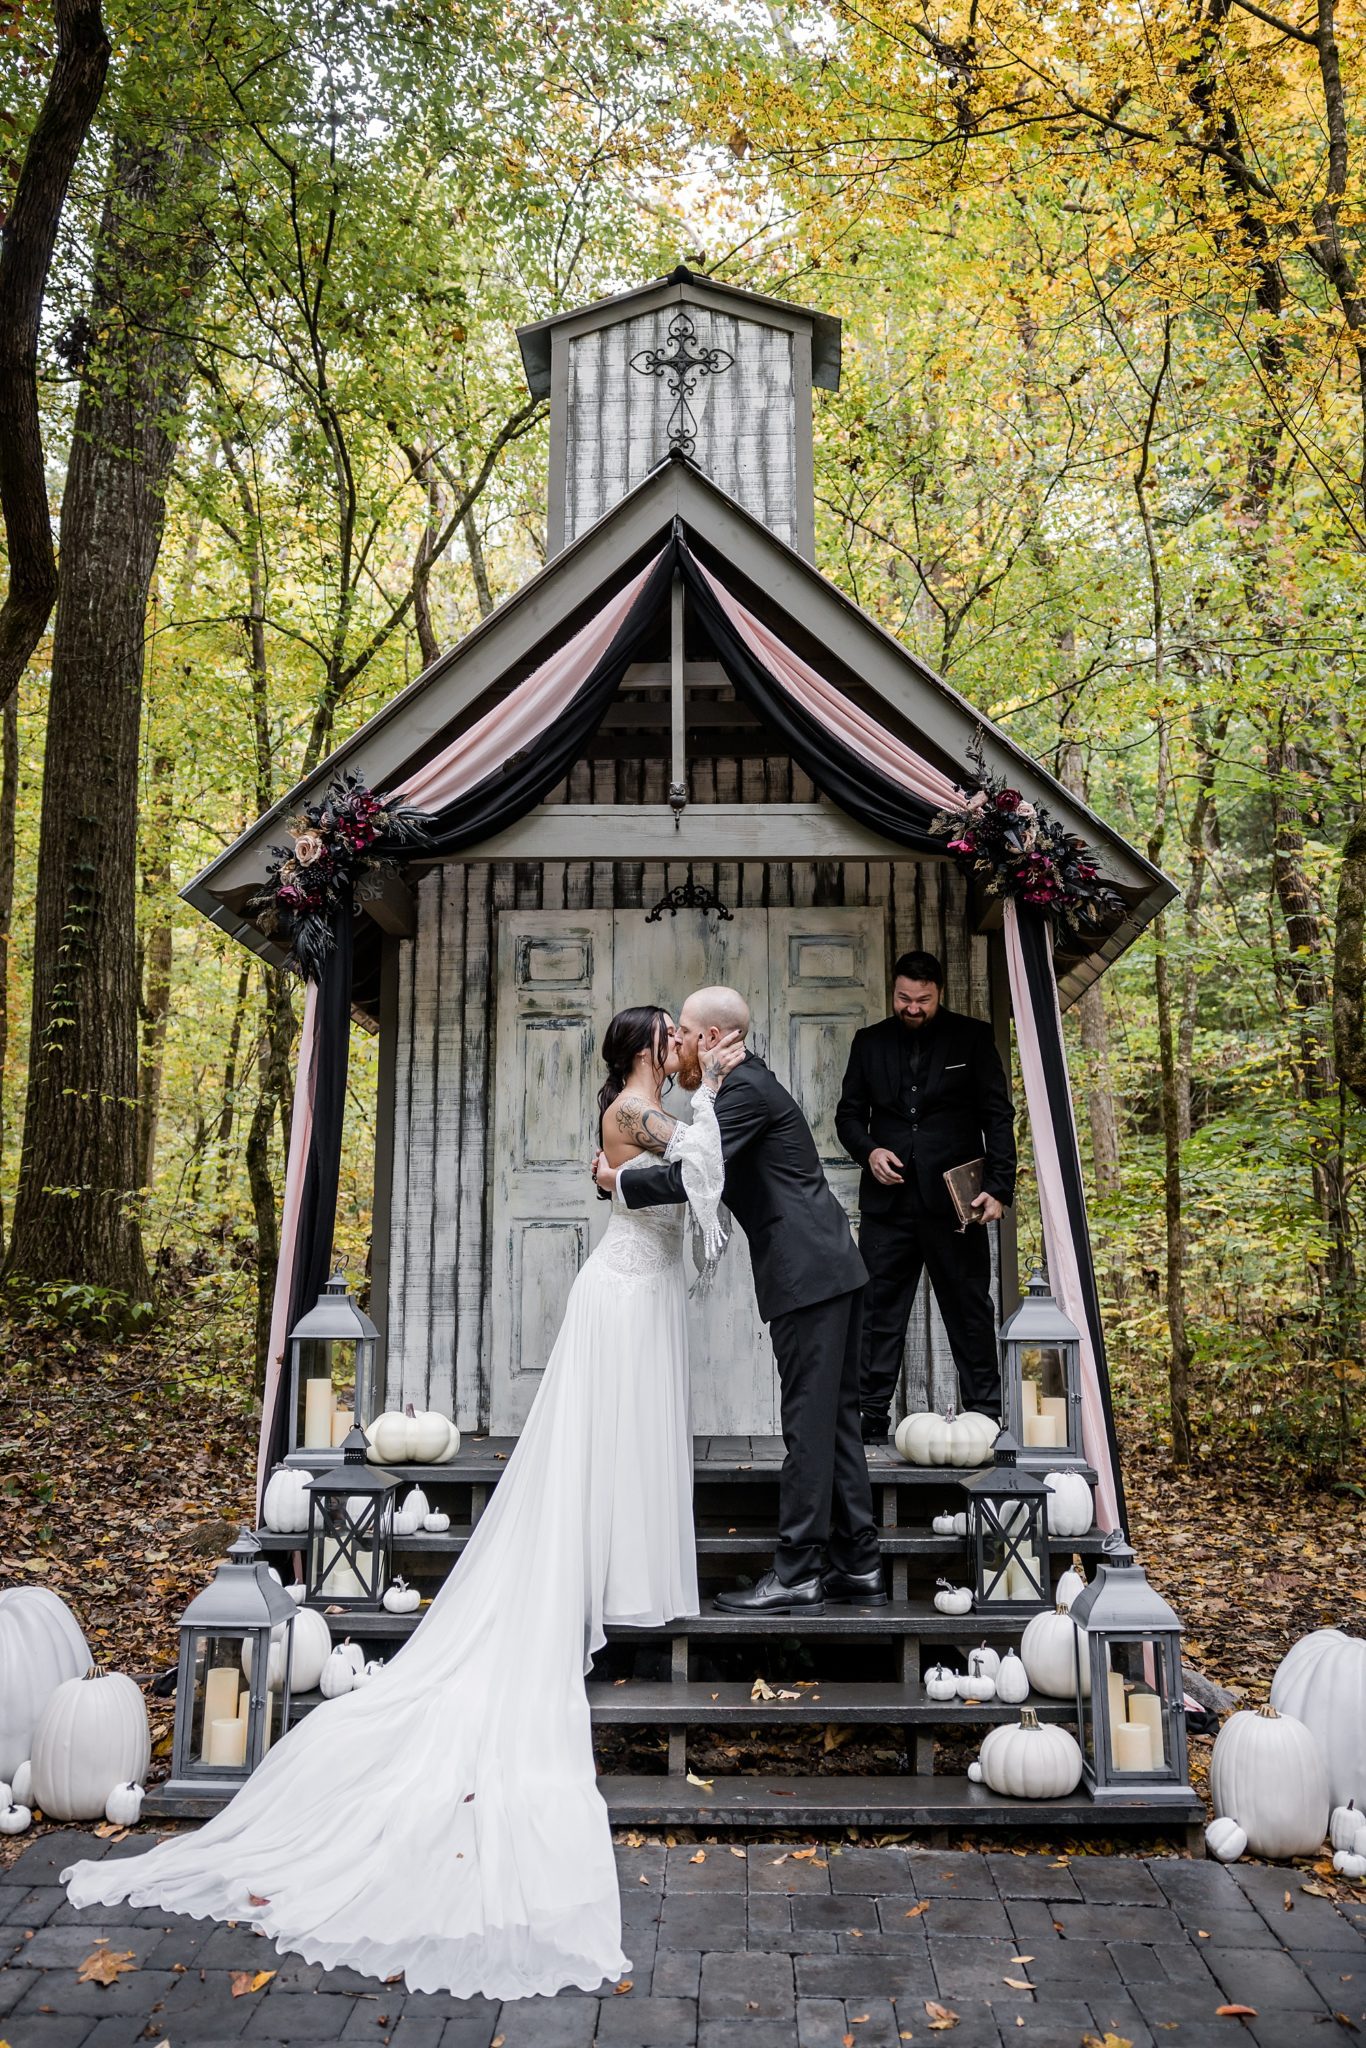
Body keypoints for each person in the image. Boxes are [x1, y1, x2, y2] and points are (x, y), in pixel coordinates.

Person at [63, 1007, 742, 2000]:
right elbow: (699, 1165)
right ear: (648, 1048)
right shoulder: (635, 1113)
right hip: (621, 1295)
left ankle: (625, 1575)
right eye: (673, 1032)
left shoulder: (642, 1113)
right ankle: (592, 1578)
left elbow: (681, 1174)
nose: (685, 1040)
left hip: (647, 1290)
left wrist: (673, 1127)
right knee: (599, 1443)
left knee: (627, 1444)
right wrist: (711, 1090)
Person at [595, 986, 883, 1617]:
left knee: (808, 1424)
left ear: (710, 1038)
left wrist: (618, 1181)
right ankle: (859, 1565)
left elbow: (696, 1178)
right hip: (828, 1269)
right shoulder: (738, 1087)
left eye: (682, 1033)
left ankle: (798, 1572)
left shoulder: (745, 1090)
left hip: (809, 1277)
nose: (676, 1045)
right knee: (835, 1421)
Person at [835, 949, 1017, 1443]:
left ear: (939, 993)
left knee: (969, 1309)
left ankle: (986, 1414)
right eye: (903, 998)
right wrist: (870, 1151)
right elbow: (848, 1116)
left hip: (956, 1205)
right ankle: (869, 1417)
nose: (912, 1008)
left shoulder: (973, 1037)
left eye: (923, 1000)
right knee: (876, 1311)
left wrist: (999, 1187)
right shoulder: (869, 1042)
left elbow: (998, 1115)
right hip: (887, 1206)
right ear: (893, 991)